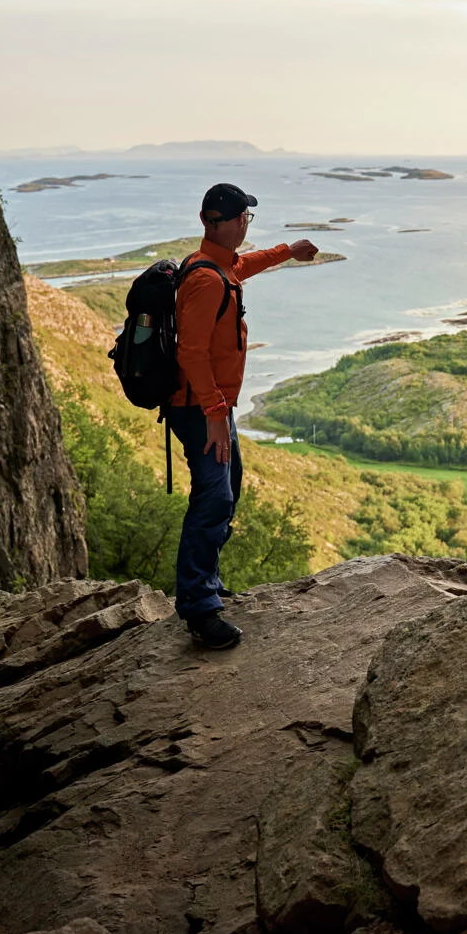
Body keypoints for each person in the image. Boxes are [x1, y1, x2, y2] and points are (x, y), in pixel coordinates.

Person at [166, 182, 320, 648]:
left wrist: (287, 252)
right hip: (200, 408)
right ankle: (199, 608)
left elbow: (245, 265)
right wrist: (215, 413)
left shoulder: (216, 266)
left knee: (228, 487)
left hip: (210, 405)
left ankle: (206, 584)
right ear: (226, 221)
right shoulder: (206, 280)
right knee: (214, 497)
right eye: (244, 219)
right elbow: (191, 354)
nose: (245, 226)